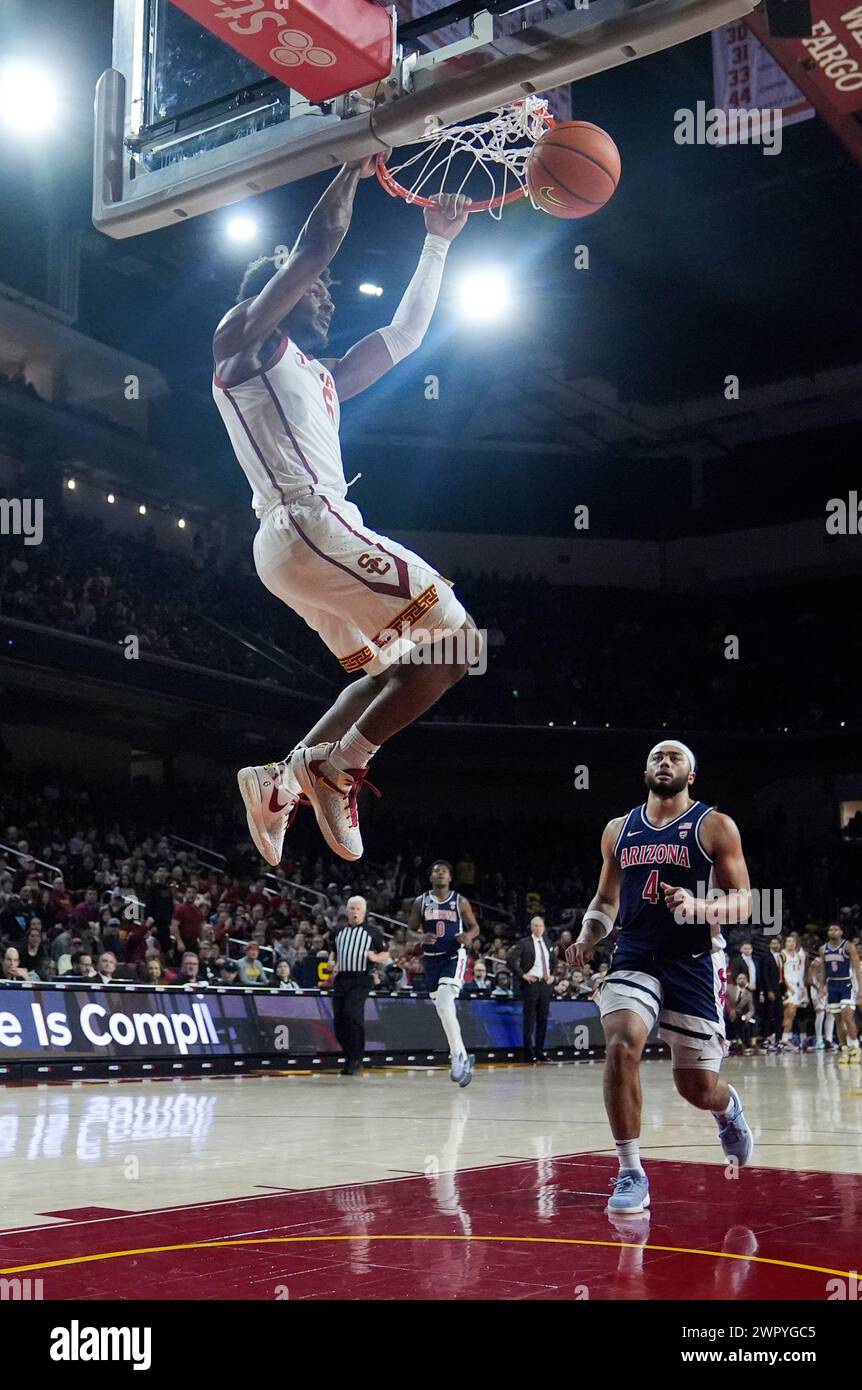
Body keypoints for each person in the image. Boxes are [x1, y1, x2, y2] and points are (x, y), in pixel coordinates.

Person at [214, 159, 478, 869]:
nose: (327, 297)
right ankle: (338, 767)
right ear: (276, 295)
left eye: (328, 291)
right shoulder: (242, 341)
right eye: (318, 292)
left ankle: (282, 782)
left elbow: (405, 336)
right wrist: (354, 162)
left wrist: (438, 241)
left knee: (398, 669)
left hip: (298, 541)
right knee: (459, 641)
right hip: (306, 522)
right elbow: (316, 247)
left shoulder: (318, 374)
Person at [566, 739, 754, 1215]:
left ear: (691, 774)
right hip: (635, 953)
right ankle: (631, 1171)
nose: (663, 762)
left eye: (674, 758)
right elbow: (606, 901)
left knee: (695, 1088)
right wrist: (590, 934)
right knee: (622, 1043)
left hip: (693, 957)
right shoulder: (617, 829)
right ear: (645, 769)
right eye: (655, 756)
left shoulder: (715, 825)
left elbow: (744, 901)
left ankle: (726, 1108)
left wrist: (698, 907)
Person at [408, 860, 480, 1086]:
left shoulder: (460, 901)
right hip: (431, 961)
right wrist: (420, 938)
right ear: (431, 877)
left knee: (444, 1002)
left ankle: (457, 1056)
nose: (440, 874)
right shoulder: (421, 901)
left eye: (444, 871)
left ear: (450, 878)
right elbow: (409, 931)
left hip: (453, 956)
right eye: (436, 871)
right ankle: (461, 1054)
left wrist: (468, 937)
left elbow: (475, 927)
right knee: (443, 1009)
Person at [331, 896, 390, 1075]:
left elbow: (385, 953)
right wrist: (331, 962)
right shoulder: (338, 931)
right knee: (339, 1020)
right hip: (342, 978)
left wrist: (374, 958)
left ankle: (356, 1058)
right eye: (351, 909)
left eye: (358, 909)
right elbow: (333, 952)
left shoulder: (373, 932)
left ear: (364, 912)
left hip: (362, 978)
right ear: (347, 911)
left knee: (352, 1014)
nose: (354, 912)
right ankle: (349, 1056)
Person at [814, 923, 862, 1065]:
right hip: (833, 984)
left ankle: (855, 1047)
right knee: (838, 1020)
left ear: (841, 931)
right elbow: (823, 969)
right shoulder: (823, 949)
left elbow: (857, 969)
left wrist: (860, 989)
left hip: (847, 983)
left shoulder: (848, 946)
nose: (832, 931)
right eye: (830, 929)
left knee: (847, 1016)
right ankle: (844, 1049)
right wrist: (822, 986)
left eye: (835, 929)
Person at [510, 916, 555, 1062]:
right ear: (531, 927)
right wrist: (523, 975)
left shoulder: (548, 943)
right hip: (531, 984)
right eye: (535, 926)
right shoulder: (524, 943)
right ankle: (529, 1053)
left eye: (540, 926)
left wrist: (552, 975)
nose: (538, 928)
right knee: (529, 1019)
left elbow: (552, 962)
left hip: (545, 985)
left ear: (544, 927)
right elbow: (510, 960)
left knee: (543, 1019)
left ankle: (540, 1051)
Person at [779, 932, 808, 1051]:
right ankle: (784, 1039)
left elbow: (799, 973)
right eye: (788, 941)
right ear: (785, 943)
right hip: (788, 987)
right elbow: (781, 973)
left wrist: (801, 988)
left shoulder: (797, 955)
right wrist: (787, 987)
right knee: (789, 1013)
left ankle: (786, 1037)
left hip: (796, 987)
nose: (791, 944)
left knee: (792, 1014)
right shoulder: (783, 954)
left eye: (793, 942)